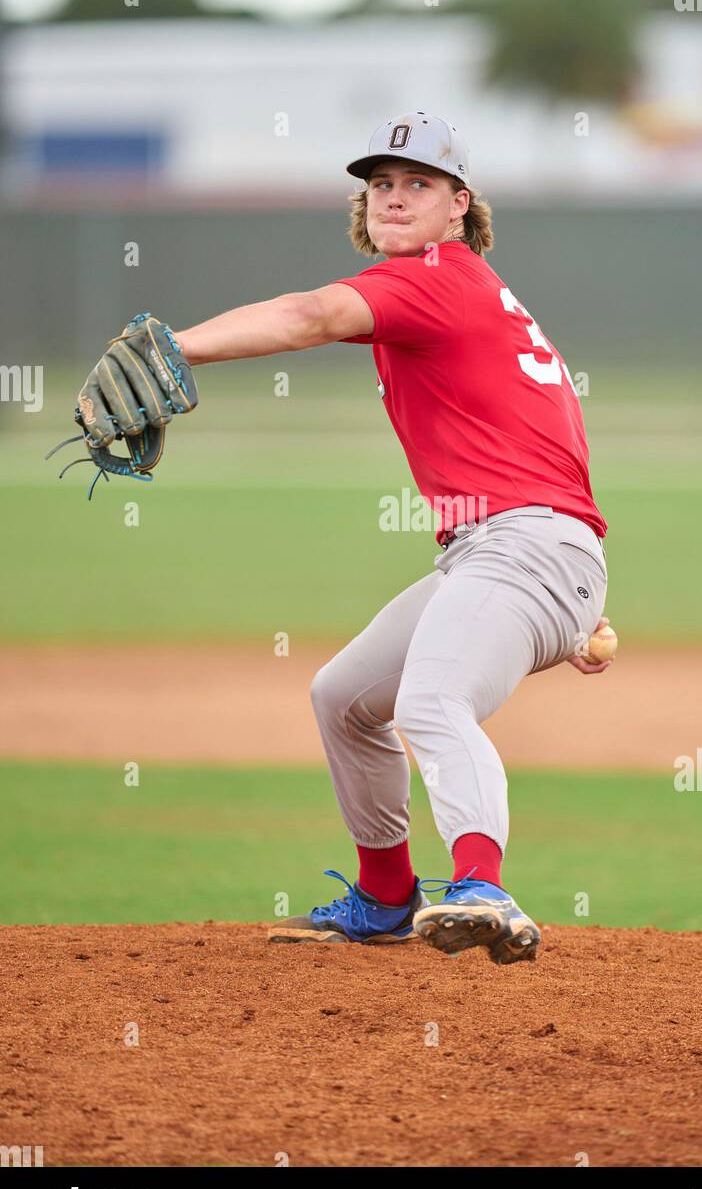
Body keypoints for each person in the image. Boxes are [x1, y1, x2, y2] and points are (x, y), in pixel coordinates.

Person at [102, 111, 613, 965]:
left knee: (429, 701)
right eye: (381, 184)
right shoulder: (470, 290)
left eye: (419, 183)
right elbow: (543, 432)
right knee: (344, 698)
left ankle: (484, 888)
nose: (395, 197)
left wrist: (175, 351)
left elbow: (309, 314)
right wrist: (572, 587)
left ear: (460, 205)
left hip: (525, 549)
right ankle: (383, 895)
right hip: (515, 553)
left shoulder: (440, 277)